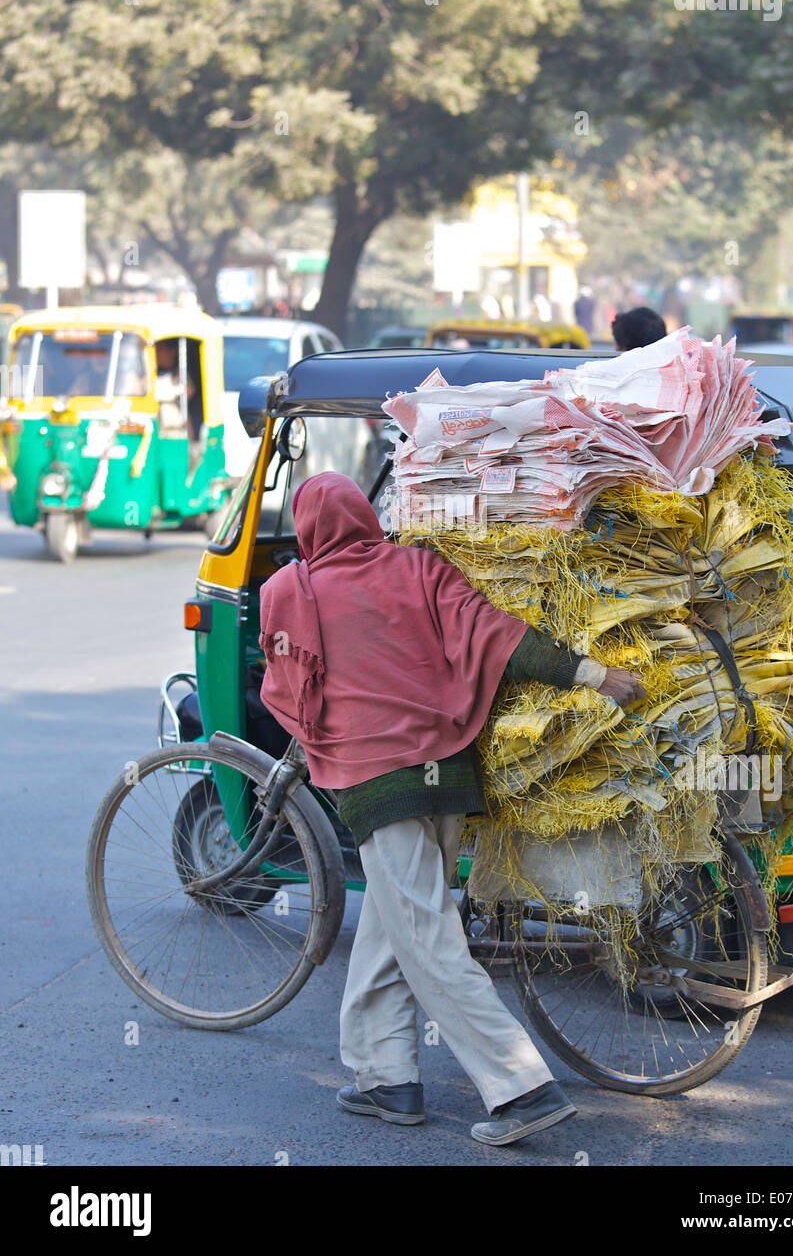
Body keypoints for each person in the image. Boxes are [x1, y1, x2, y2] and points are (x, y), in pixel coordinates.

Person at [258, 473, 647, 1146]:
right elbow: (501, 637)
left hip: (379, 782)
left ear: (309, 528)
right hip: (447, 779)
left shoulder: (295, 590)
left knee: (427, 936)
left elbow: (291, 686)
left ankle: (521, 1087)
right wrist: (594, 674)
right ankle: (385, 1076)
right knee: (394, 920)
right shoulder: (419, 567)